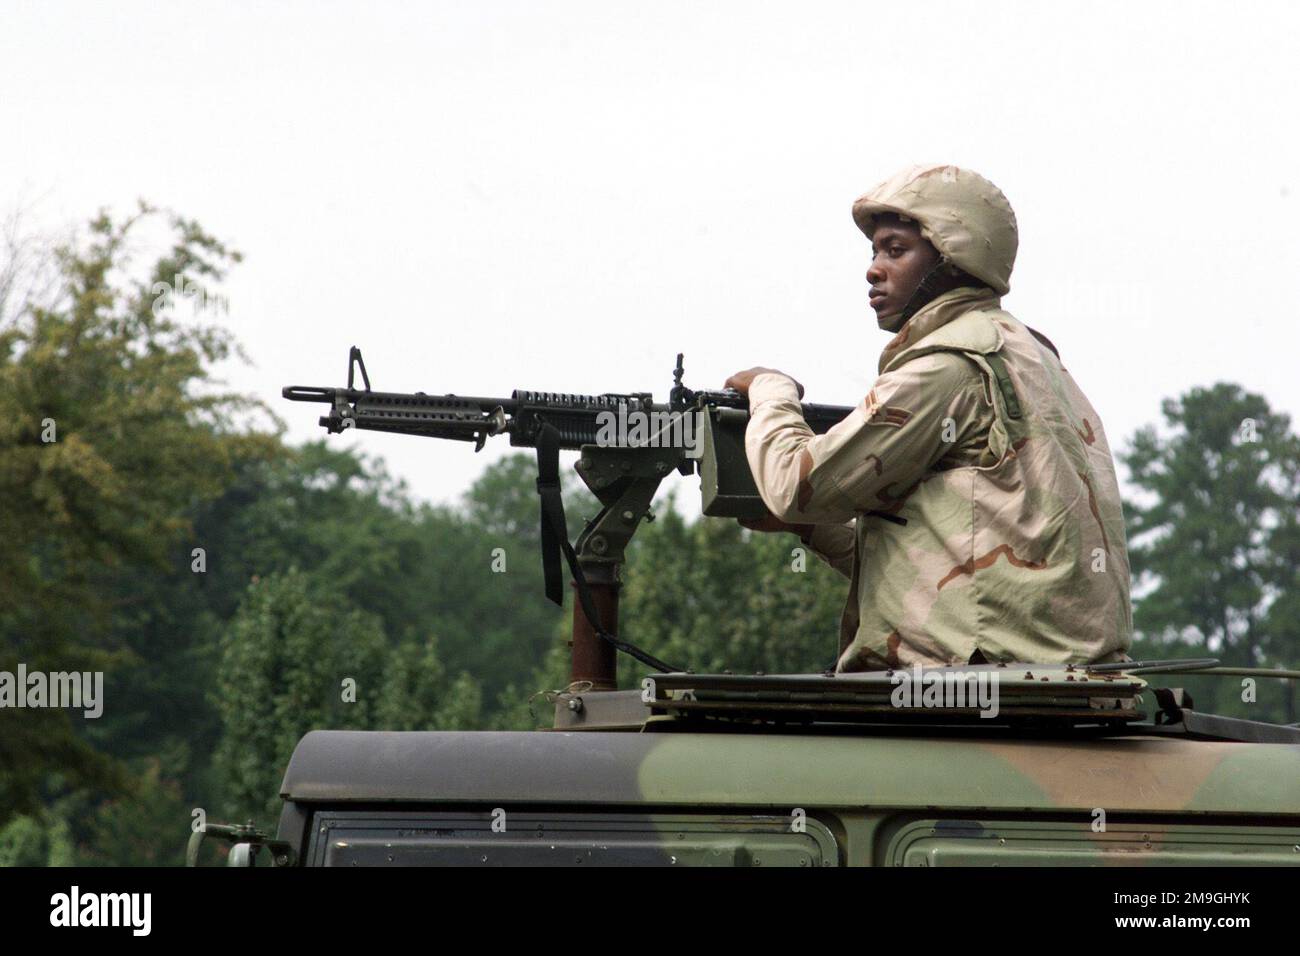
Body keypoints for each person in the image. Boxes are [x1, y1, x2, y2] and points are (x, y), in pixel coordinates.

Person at [726, 164, 1132, 670]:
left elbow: (793, 485)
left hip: (980, 686)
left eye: (896, 250)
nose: (874, 269)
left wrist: (771, 392)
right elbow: (963, 572)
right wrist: (813, 531)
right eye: (875, 252)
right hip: (1040, 672)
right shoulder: (1030, 356)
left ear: (951, 259)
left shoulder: (948, 366)